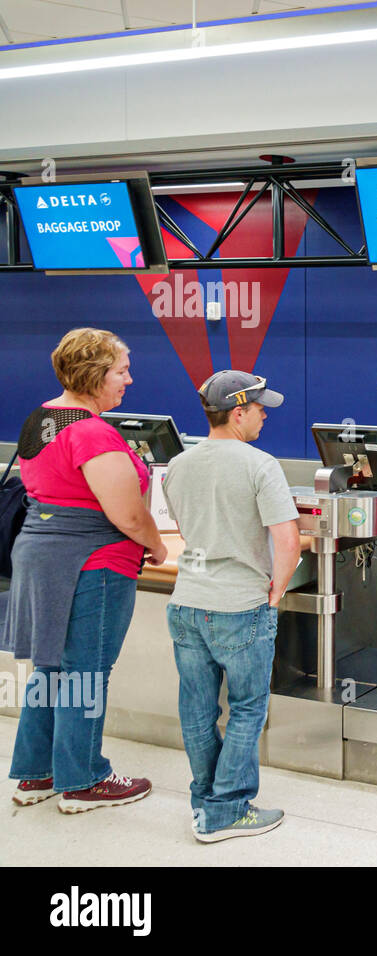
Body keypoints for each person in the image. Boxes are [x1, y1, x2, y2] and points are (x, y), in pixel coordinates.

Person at [4, 328, 164, 812]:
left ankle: (36, 773)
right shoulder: (93, 431)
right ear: (94, 375)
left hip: (40, 555)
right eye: (121, 371)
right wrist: (155, 546)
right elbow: (127, 514)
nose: (128, 380)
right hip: (90, 562)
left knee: (51, 666)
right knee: (87, 670)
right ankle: (83, 780)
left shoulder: (42, 420)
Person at [162, 370, 302, 843]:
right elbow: (289, 540)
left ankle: (205, 801)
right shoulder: (261, 465)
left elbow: (186, 532)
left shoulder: (179, 464)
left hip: (186, 603)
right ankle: (227, 810)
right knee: (246, 709)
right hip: (240, 605)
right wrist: (276, 591)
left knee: (197, 710)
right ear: (238, 412)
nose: (265, 414)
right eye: (260, 407)